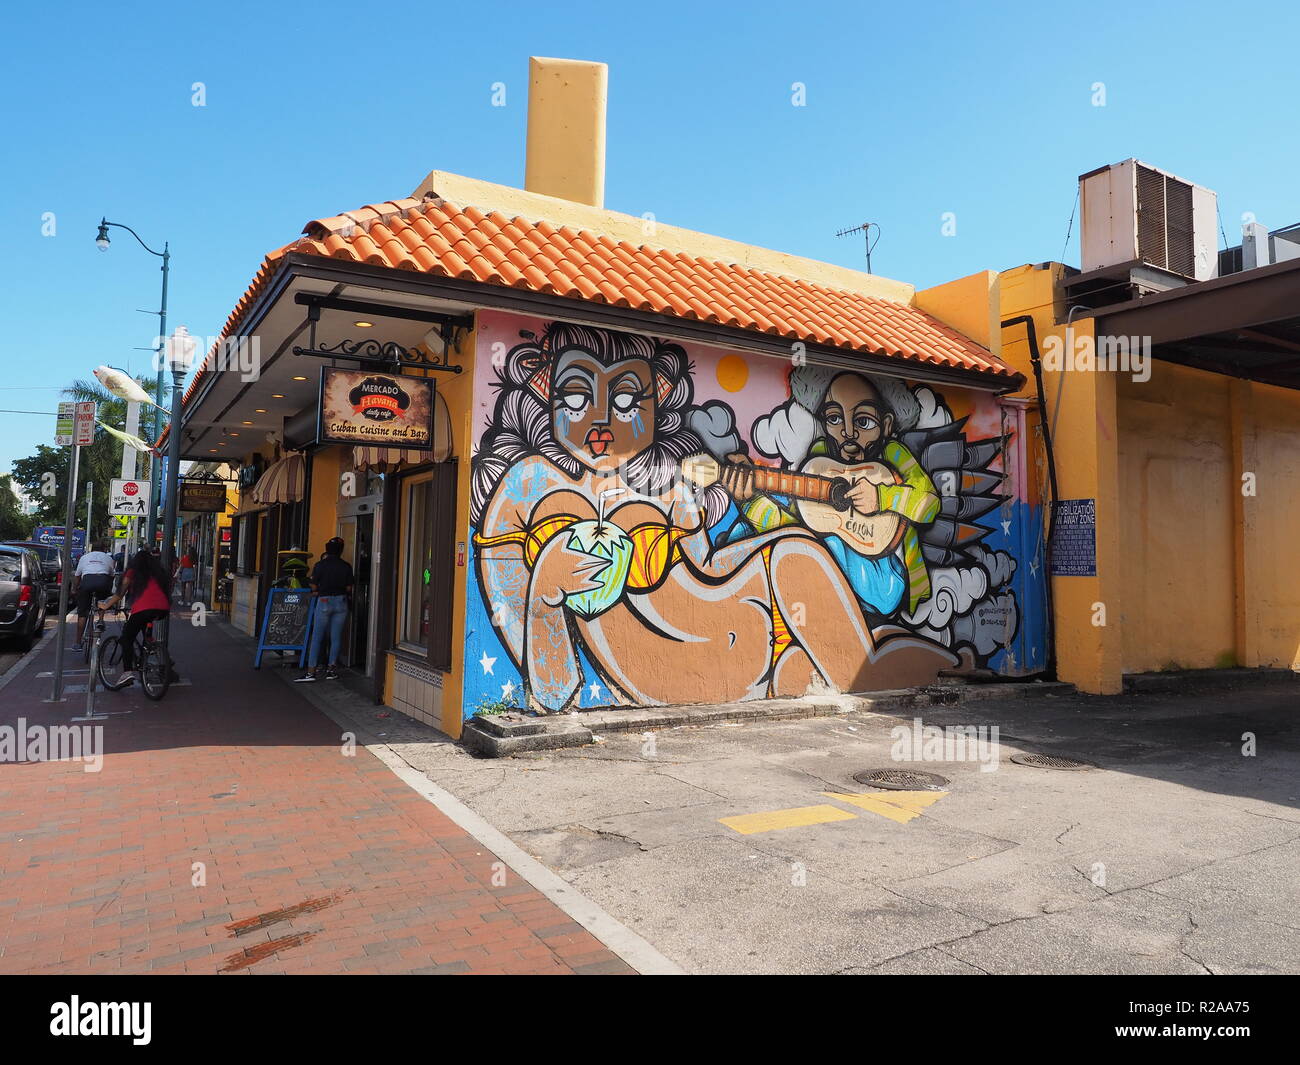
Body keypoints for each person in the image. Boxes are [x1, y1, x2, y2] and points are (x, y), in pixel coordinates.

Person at [99, 550, 172, 687]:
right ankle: (154, 649)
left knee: (126, 638)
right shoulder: (158, 573)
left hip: (143, 608)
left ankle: (127, 673)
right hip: (162, 608)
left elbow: (120, 593)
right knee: (145, 628)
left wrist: (106, 605)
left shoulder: (133, 572)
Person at [295, 537, 353, 682]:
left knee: (317, 638)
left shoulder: (320, 565)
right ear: (341, 550)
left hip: (324, 601)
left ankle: (311, 673)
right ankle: (331, 670)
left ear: (327, 549)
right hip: (341, 601)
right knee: (336, 638)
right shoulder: (346, 566)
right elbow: (349, 588)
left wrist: (319, 590)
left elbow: (313, 586)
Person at [72, 540, 117, 651]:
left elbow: (77, 576)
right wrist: (109, 589)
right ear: (104, 549)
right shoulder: (109, 558)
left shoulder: (84, 557)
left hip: (87, 582)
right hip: (103, 581)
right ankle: (101, 620)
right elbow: (112, 576)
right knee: (103, 599)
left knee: (82, 613)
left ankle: (78, 643)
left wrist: (74, 589)